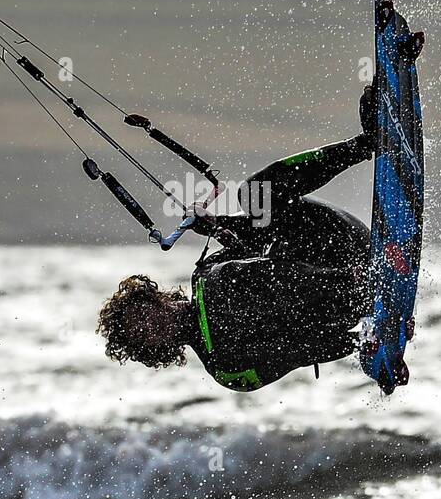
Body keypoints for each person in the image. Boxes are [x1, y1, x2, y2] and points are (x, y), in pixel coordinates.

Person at [96, 84, 379, 390]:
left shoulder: (204, 274)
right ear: (156, 349)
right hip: (350, 304)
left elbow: (260, 242)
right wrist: (363, 343)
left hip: (342, 245)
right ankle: (368, 295)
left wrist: (218, 225)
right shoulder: (226, 367)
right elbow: (296, 351)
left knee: (254, 196)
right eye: (144, 333)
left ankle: (365, 143)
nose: (152, 323)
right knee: (227, 289)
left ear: (158, 297)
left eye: (144, 313)